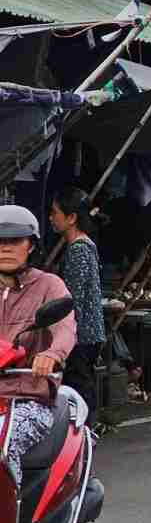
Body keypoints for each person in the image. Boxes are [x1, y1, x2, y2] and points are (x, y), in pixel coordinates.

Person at [0, 205, 75, 483]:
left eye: (15, 241)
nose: (6, 248)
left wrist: (52, 353)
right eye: (0, 241)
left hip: (28, 399)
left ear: (31, 245)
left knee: (3, 448)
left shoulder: (49, 285)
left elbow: (65, 328)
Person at [45, 188, 104, 413]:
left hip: (82, 335)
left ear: (71, 218)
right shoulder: (81, 245)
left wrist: (63, 332)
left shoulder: (79, 249)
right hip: (87, 333)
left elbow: (73, 299)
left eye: (55, 213)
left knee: (79, 388)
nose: (51, 218)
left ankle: (84, 433)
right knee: (81, 385)